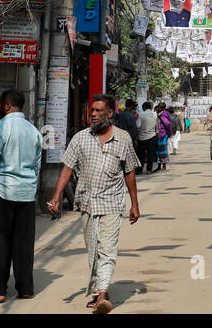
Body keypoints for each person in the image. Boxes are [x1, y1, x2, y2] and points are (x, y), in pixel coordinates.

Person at [47, 95, 141, 314]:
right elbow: (67, 169)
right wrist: (56, 196)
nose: (94, 115)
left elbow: (129, 173)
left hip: (112, 202)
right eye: (92, 111)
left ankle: (101, 295)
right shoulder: (80, 138)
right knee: (93, 250)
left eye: (99, 111)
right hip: (87, 202)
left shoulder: (123, 138)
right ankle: (102, 288)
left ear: (110, 114)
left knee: (107, 249)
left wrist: (134, 204)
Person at [0, 90, 42, 305]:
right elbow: (37, 164)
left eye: (1, 105)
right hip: (27, 192)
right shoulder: (34, 131)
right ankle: (25, 289)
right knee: (23, 242)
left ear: (6, 106)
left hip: (2, 190)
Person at [137, 101, 159, 174]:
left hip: (142, 137)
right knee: (150, 154)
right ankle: (149, 170)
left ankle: (140, 170)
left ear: (144, 107)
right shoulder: (155, 114)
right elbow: (157, 126)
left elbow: (138, 125)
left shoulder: (140, 114)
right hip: (152, 136)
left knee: (141, 155)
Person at [156, 103, 174, 171]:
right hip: (161, 134)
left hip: (162, 134)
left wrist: (169, 132)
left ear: (162, 108)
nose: (157, 108)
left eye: (158, 107)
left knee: (162, 151)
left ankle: (164, 166)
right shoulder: (161, 114)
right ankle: (160, 166)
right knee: (159, 151)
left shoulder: (162, 115)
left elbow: (167, 123)